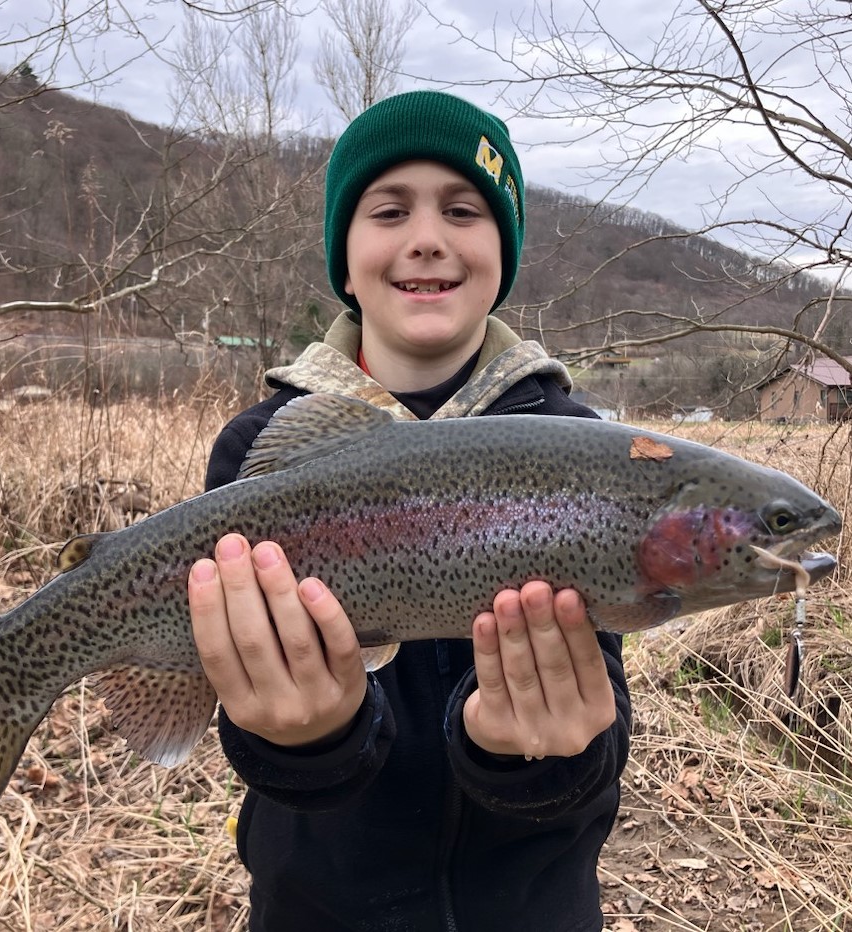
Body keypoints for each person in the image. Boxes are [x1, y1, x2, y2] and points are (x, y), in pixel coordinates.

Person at [187, 90, 631, 932]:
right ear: (344, 259)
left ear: (504, 251)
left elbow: (598, 730)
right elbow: (248, 719)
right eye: (390, 210)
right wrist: (308, 736)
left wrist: (530, 752)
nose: (427, 236)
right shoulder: (258, 447)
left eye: (463, 210)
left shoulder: (577, 445)